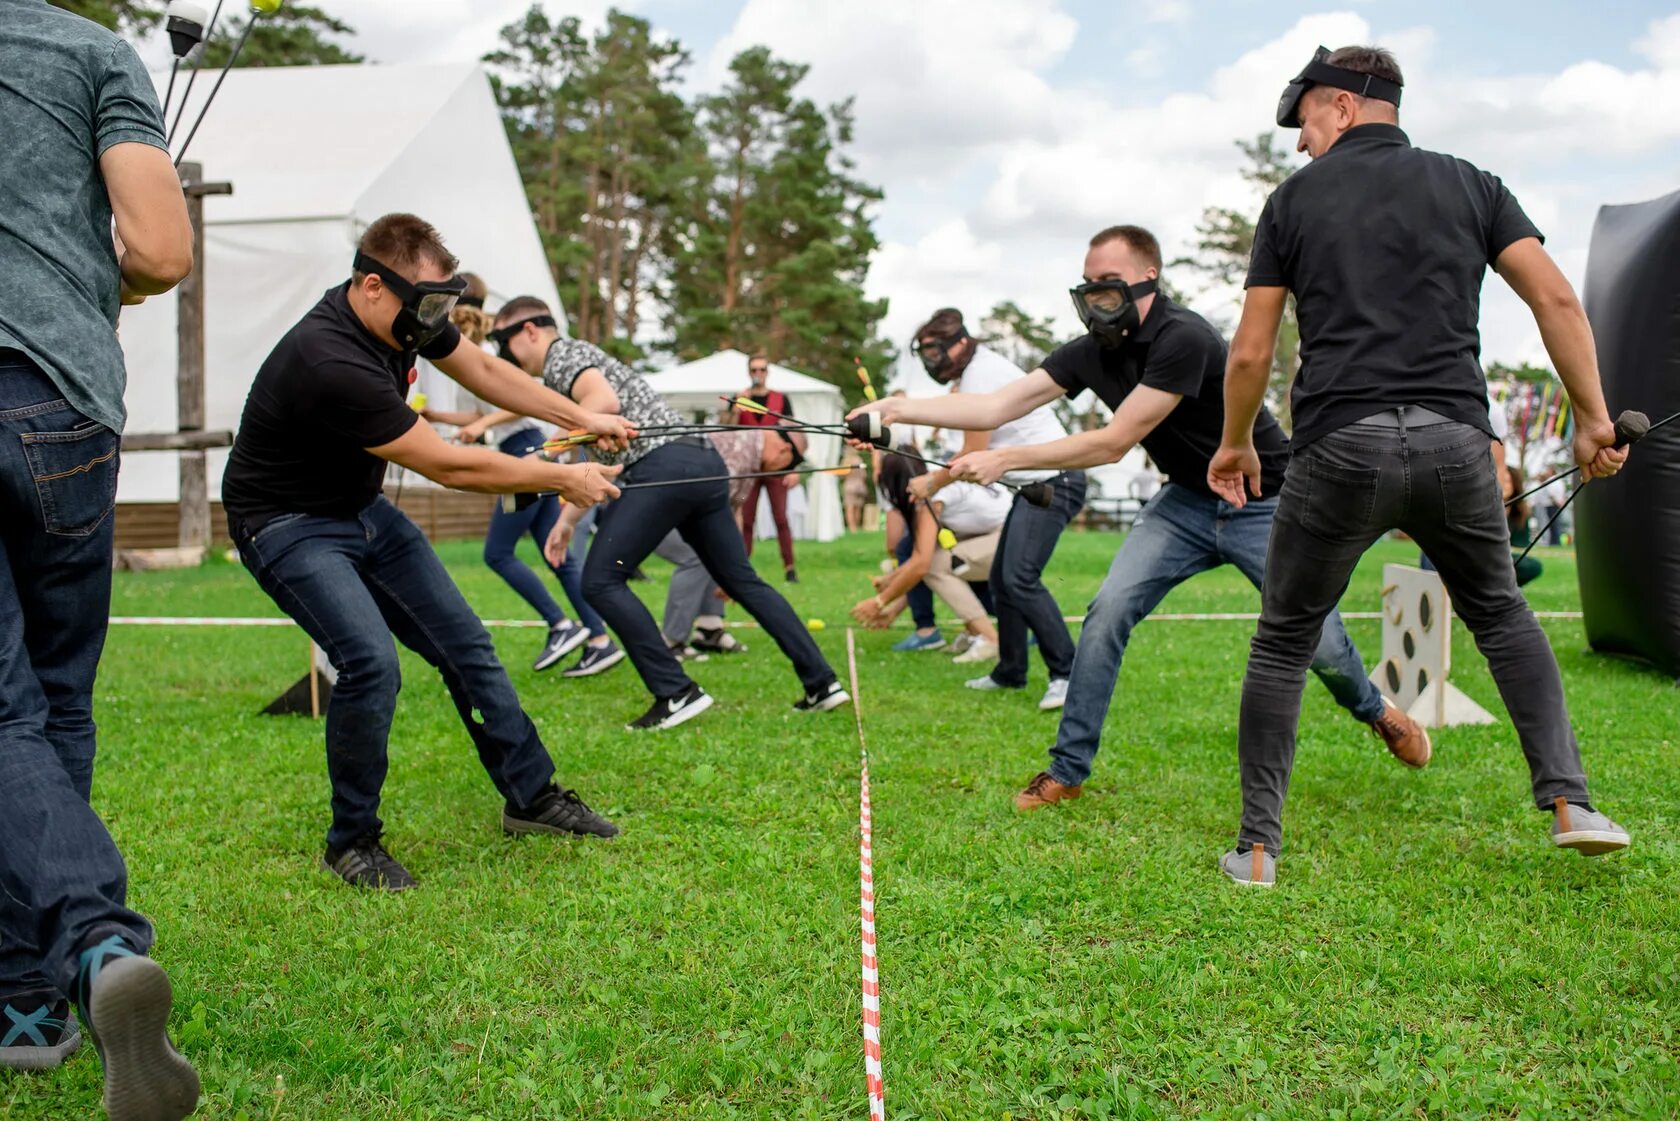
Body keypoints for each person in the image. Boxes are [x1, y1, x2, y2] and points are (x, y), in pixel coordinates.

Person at [1209, 45, 1630, 887]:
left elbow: (1253, 348)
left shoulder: (1292, 201)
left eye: (1303, 123)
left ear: (1341, 104)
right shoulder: (1473, 183)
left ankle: (1258, 848)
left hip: (1339, 445)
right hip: (1454, 446)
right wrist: (1591, 417)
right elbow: (1554, 298)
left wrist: (1234, 440)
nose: (1299, 145)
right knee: (1503, 616)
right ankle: (1571, 804)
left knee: (1285, 638)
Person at [854, 226, 1411, 814]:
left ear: (1148, 278)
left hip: (1263, 500)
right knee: (1107, 612)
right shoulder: (1089, 351)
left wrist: (1006, 457)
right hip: (1184, 504)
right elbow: (997, 405)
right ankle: (1067, 770)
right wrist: (894, 407)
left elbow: (1115, 442)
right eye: (1089, 284)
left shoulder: (1184, 337)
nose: (1096, 296)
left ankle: (1374, 710)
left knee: (1316, 640)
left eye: (1108, 284)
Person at [222, 214, 629, 891]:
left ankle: (531, 799)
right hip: (284, 522)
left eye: (444, 303)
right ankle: (352, 842)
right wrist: (564, 476)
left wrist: (581, 417)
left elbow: (485, 371)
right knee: (370, 663)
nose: (435, 321)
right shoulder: (330, 358)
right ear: (372, 285)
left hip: (359, 508)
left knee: (467, 644)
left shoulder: (409, 313)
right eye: (427, 304)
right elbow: (450, 466)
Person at [0, 3, 202, 1111]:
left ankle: (60, 970)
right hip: (60, 404)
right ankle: (58, 969)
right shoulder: (87, 48)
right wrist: (97, 281)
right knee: (56, 702)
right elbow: (161, 248)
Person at [490, 298, 851, 729]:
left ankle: (676, 692)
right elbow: (593, 450)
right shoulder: (575, 359)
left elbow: (600, 404)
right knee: (743, 581)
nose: (503, 355)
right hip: (702, 462)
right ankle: (822, 683)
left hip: (665, 465)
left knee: (600, 580)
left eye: (502, 341)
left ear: (531, 330)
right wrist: (566, 523)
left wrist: (549, 447)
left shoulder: (562, 356)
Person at [421, 277, 623, 677]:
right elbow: (481, 416)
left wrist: (484, 428)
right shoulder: (470, 365)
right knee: (557, 553)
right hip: (524, 449)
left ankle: (561, 624)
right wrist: (437, 419)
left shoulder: (483, 361)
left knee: (496, 553)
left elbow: (516, 405)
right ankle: (600, 640)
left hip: (526, 450)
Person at [895, 308, 1087, 710]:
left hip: (1056, 481)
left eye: (935, 353)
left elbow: (973, 453)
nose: (933, 363)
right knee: (1002, 579)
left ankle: (1067, 675)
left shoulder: (981, 375)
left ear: (960, 343)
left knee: (1020, 578)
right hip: (1031, 485)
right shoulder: (973, 373)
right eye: (925, 355)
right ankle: (1010, 671)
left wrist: (932, 481)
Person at [656, 427, 802, 655]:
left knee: (715, 551)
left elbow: (732, 509)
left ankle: (709, 628)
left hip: (685, 511)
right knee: (695, 557)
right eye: (788, 465)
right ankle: (671, 642)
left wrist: (733, 562)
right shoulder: (739, 451)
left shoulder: (751, 460)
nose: (782, 473)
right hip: (659, 507)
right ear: (784, 450)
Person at [852, 454, 1007, 664]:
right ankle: (977, 634)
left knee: (935, 566)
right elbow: (919, 565)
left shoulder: (932, 497)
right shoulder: (936, 481)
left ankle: (990, 639)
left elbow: (921, 565)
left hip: (1008, 536)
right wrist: (892, 597)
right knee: (939, 561)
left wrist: (880, 602)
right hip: (1003, 534)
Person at [728, 354, 801, 582]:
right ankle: (743, 568)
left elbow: (794, 435)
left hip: (776, 466)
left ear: (767, 372)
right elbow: (727, 430)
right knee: (746, 519)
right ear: (749, 372)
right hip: (750, 467)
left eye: (762, 370)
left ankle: (790, 568)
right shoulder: (740, 398)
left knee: (781, 517)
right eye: (754, 370)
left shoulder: (781, 399)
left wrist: (793, 468)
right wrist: (736, 408)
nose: (758, 374)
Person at [841, 444, 869, 532]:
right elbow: (864, 474)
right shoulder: (859, 460)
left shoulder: (846, 461)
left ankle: (852, 527)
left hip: (849, 485)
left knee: (850, 507)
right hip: (859, 486)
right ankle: (856, 526)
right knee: (858, 507)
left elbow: (842, 475)